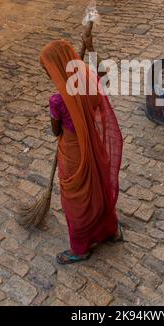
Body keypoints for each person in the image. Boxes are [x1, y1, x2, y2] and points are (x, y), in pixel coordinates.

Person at [40, 37, 123, 264]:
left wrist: (55, 115)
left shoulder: (57, 100)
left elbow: (55, 131)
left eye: (47, 68)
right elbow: (103, 75)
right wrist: (93, 48)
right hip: (94, 147)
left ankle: (80, 248)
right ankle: (111, 230)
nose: (47, 73)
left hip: (74, 155)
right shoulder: (88, 81)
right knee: (98, 188)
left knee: (77, 200)